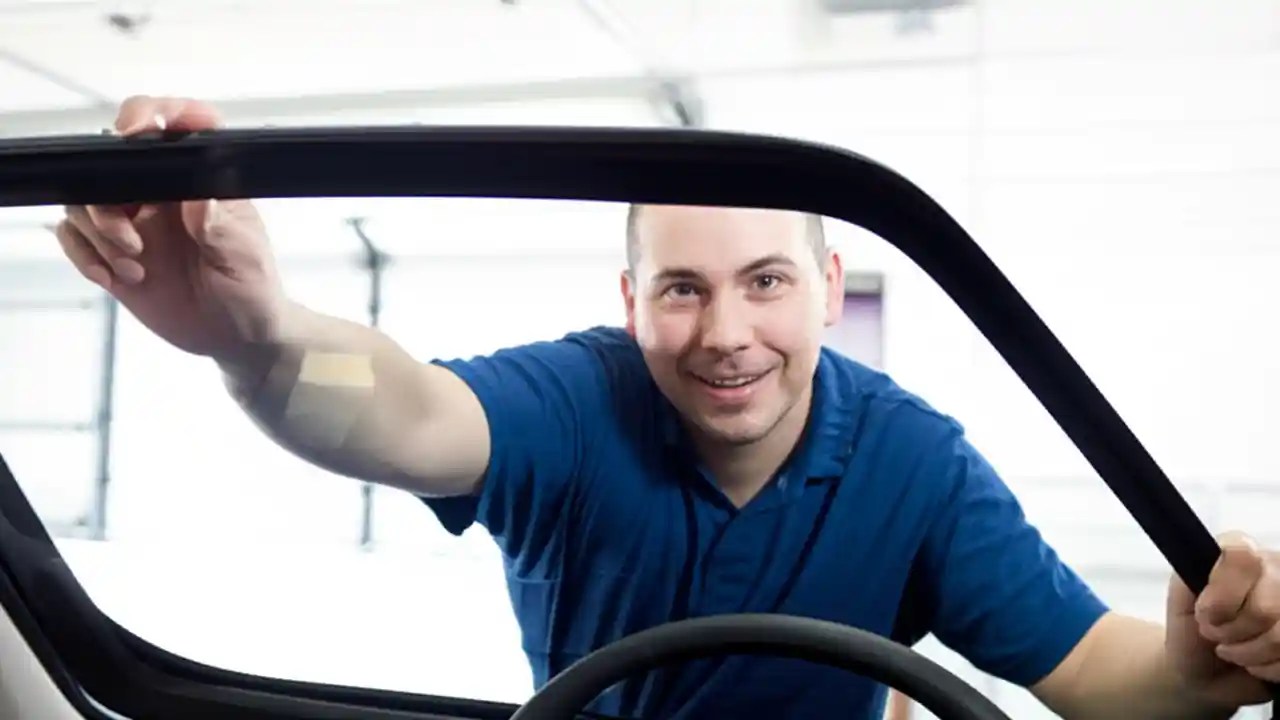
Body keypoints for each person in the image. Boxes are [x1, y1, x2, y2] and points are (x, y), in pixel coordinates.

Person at [55, 95, 1280, 720]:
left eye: (766, 283)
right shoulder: (579, 401)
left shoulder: (915, 462)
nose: (725, 333)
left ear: (829, 288)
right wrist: (257, 336)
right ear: (630, 301)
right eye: (683, 289)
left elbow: (1098, 675)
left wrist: (1191, 668)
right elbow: (403, 411)